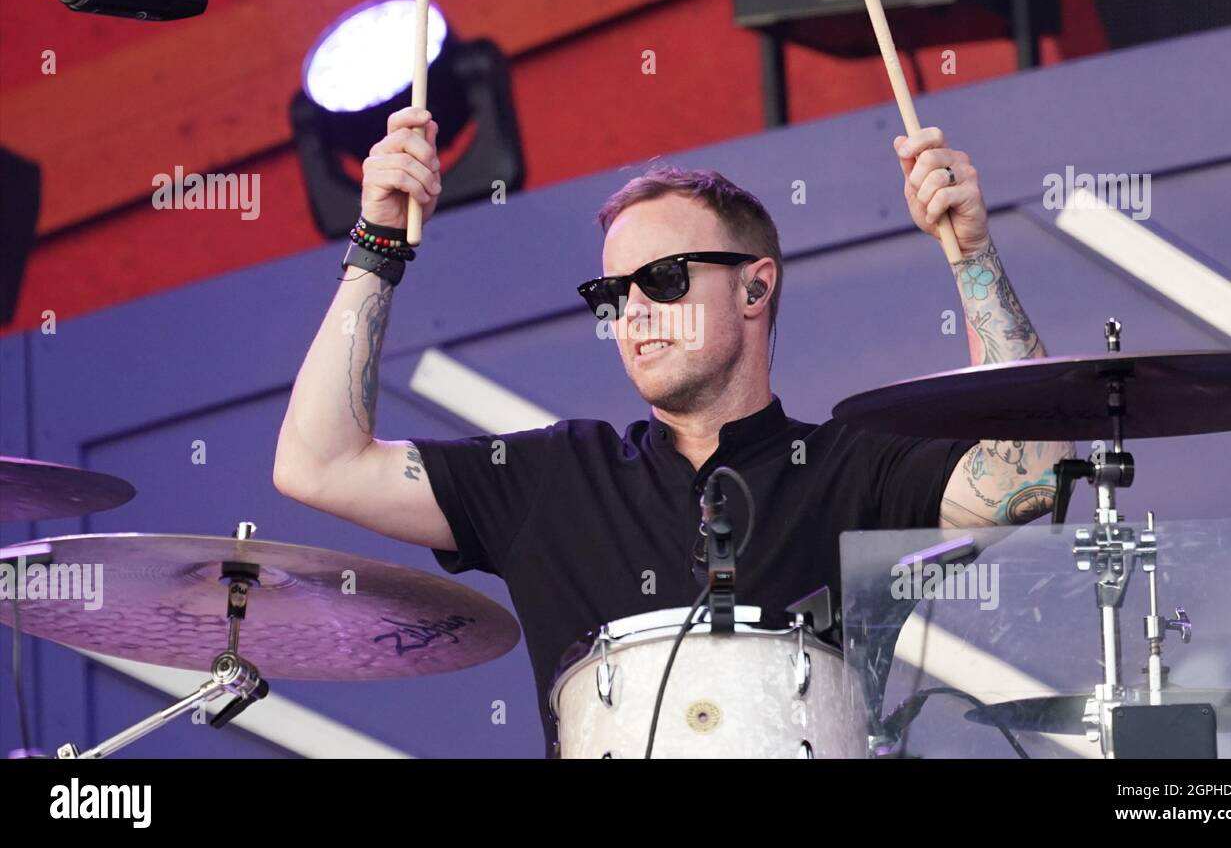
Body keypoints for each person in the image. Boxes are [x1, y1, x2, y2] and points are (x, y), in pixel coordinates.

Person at [273, 106, 1075, 755]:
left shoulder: (851, 465)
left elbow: (1029, 476)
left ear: (755, 289)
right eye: (612, 293)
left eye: (662, 279)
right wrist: (377, 245)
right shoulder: (553, 474)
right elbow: (318, 464)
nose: (634, 312)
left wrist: (970, 255)